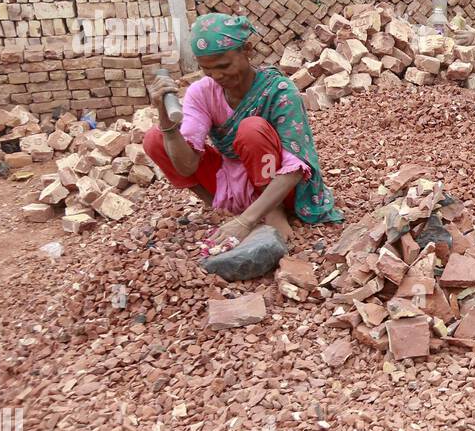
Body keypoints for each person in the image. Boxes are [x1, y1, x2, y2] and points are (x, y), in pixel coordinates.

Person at [144, 14, 342, 253]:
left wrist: (245, 222)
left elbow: (297, 166)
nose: (216, 76)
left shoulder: (279, 91)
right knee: (156, 139)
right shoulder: (202, 92)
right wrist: (165, 118)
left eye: (224, 66)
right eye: (207, 69)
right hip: (233, 182)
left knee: (252, 129)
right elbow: (186, 166)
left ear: (247, 50)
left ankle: (270, 211)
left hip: (279, 188)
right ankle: (222, 207)